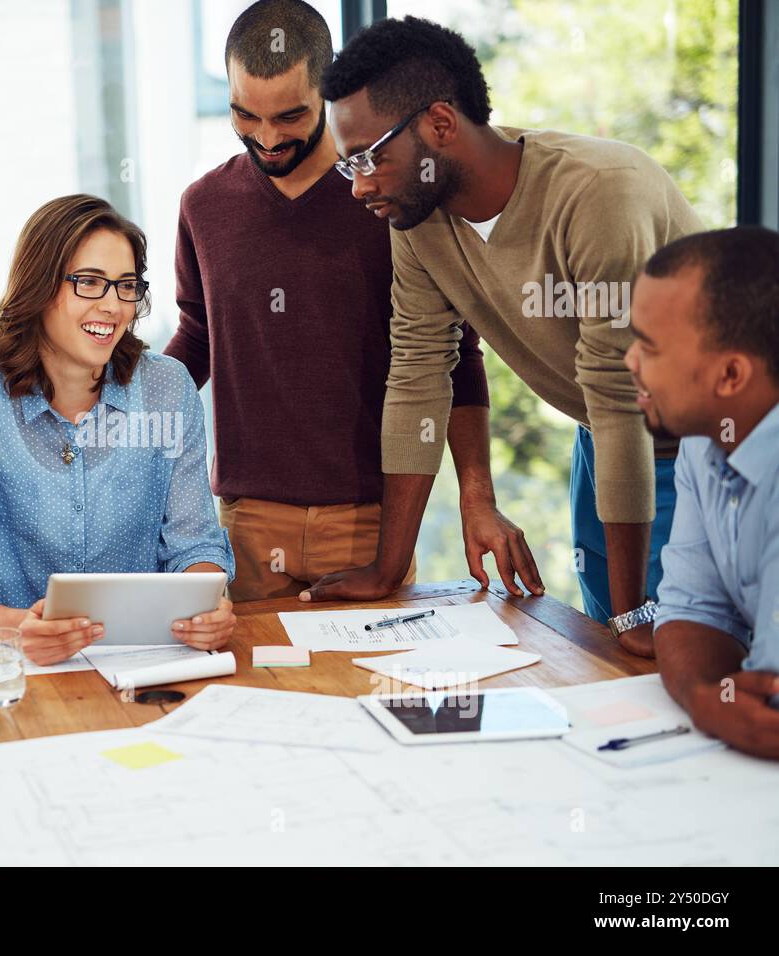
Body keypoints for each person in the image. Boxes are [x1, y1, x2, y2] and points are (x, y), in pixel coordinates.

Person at [316, 16, 703, 651]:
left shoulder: (599, 193)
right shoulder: (415, 218)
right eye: (348, 164)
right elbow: (417, 372)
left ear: (440, 125)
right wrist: (389, 569)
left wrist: (634, 612)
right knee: (615, 664)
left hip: (717, 454)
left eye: (369, 157)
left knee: (694, 664)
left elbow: (616, 393)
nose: (359, 185)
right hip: (606, 447)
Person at [166, 0, 533, 602]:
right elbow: (198, 337)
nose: (266, 137)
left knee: (364, 690)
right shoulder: (203, 205)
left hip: (370, 521)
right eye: (244, 115)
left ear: (328, 93)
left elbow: (455, 360)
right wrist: (115, 405)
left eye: (290, 116)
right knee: (250, 691)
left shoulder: (395, 200)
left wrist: (476, 494)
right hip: (245, 525)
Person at [0, 195, 236, 665]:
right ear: (39, 286)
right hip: (18, 669)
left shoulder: (168, 388)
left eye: (126, 286)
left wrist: (208, 607)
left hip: (146, 661)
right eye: (89, 283)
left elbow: (196, 547)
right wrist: (16, 628)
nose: (113, 306)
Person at [627, 227, 779, 759]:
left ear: (731, 374)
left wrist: (731, 700)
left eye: (649, 347)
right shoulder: (707, 439)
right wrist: (703, 698)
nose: (630, 362)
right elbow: (695, 609)